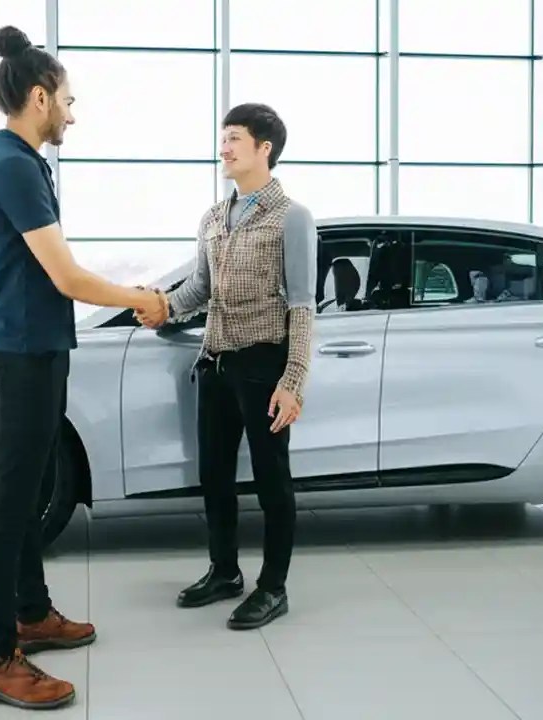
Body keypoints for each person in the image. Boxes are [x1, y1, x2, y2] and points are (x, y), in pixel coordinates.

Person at [0, 25, 166, 710]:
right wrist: (142, 298)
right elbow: (66, 276)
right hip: (23, 352)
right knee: (10, 505)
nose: (73, 115)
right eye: (70, 102)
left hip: (36, 348)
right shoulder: (13, 166)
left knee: (30, 492)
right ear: (41, 97)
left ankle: (31, 611)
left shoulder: (22, 162)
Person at [137, 103, 317, 630]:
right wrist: (163, 305)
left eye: (235, 138)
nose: (225, 147)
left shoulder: (292, 216)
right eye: (223, 138)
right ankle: (224, 571)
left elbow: (302, 304)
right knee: (214, 475)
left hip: (265, 364)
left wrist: (293, 381)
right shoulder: (214, 217)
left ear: (265, 149)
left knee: (271, 480)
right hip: (215, 361)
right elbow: (201, 288)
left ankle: (273, 587)